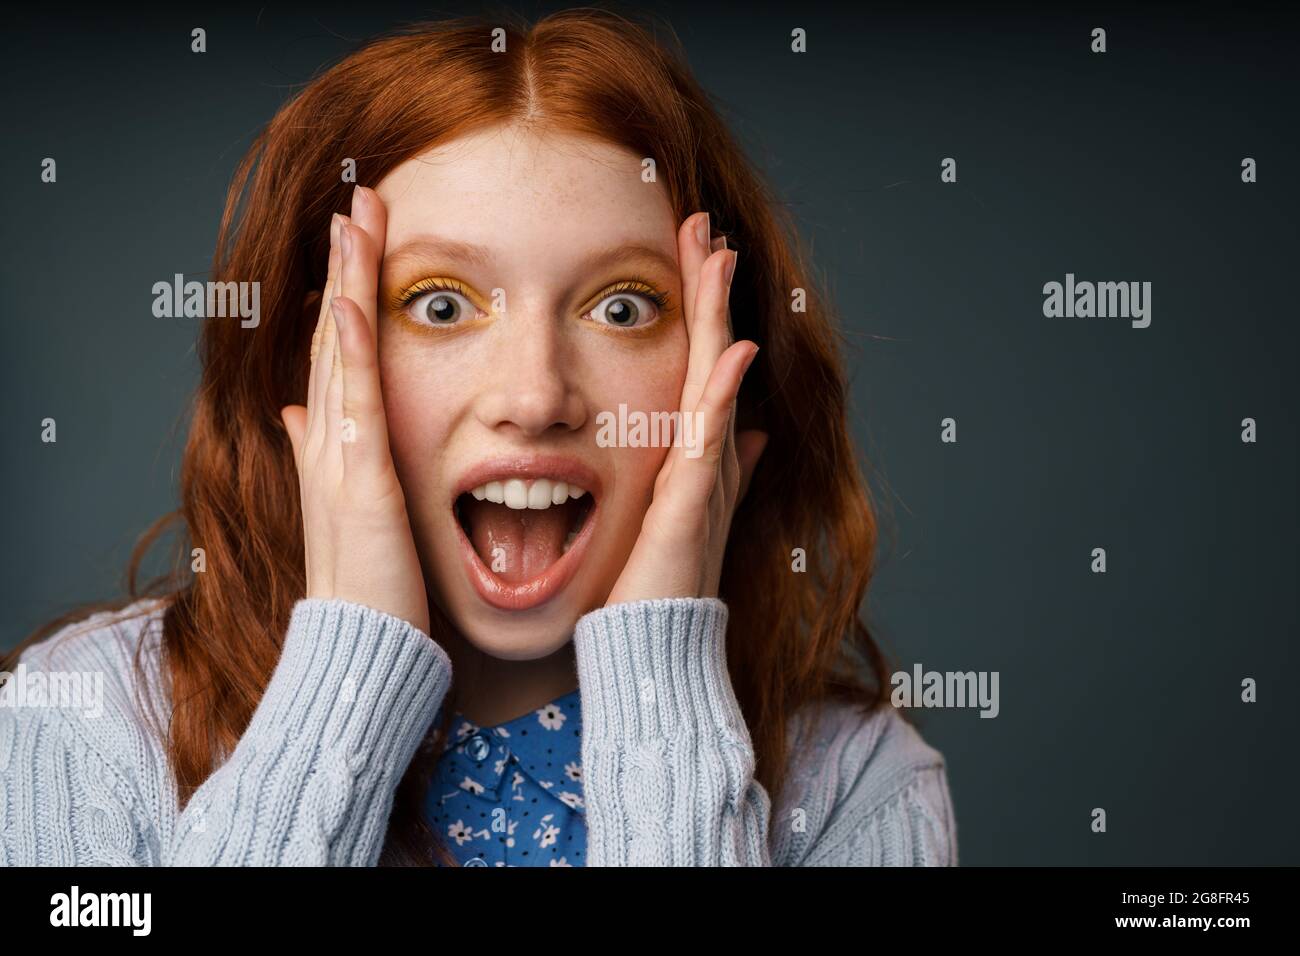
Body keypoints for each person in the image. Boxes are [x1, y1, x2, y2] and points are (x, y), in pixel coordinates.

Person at [0, 10, 956, 867]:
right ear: (316, 359)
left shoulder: (860, 792)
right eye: (442, 303)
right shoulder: (82, 728)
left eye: (622, 306)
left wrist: (662, 693)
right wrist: (349, 674)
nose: (536, 395)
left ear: (721, 366)